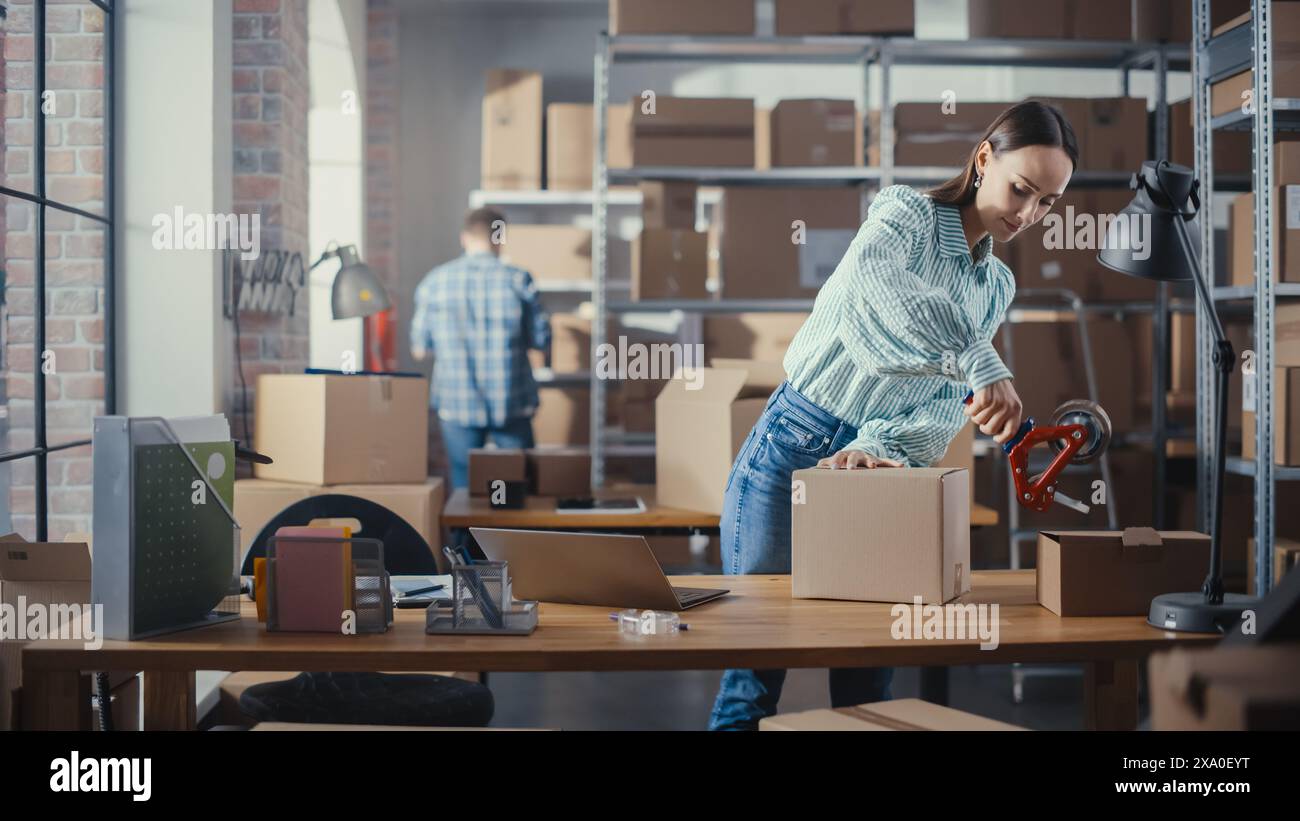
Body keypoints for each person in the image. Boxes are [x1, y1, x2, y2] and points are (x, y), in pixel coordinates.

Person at [708, 101, 1079, 730]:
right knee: (755, 673)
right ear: (983, 158)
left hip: (876, 472)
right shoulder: (903, 213)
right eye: (1021, 189)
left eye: (1047, 203)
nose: (1027, 215)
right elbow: (875, 297)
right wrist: (977, 357)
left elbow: (937, 406)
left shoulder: (995, 287)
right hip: (792, 446)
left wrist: (882, 446)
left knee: (868, 676)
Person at [410, 207, 550, 489]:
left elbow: (420, 349)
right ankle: (512, 533)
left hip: (457, 404)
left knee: (465, 491)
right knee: (518, 491)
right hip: (511, 402)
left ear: (465, 238)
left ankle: (466, 535)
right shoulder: (519, 279)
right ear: (500, 238)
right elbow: (541, 341)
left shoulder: (435, 282)